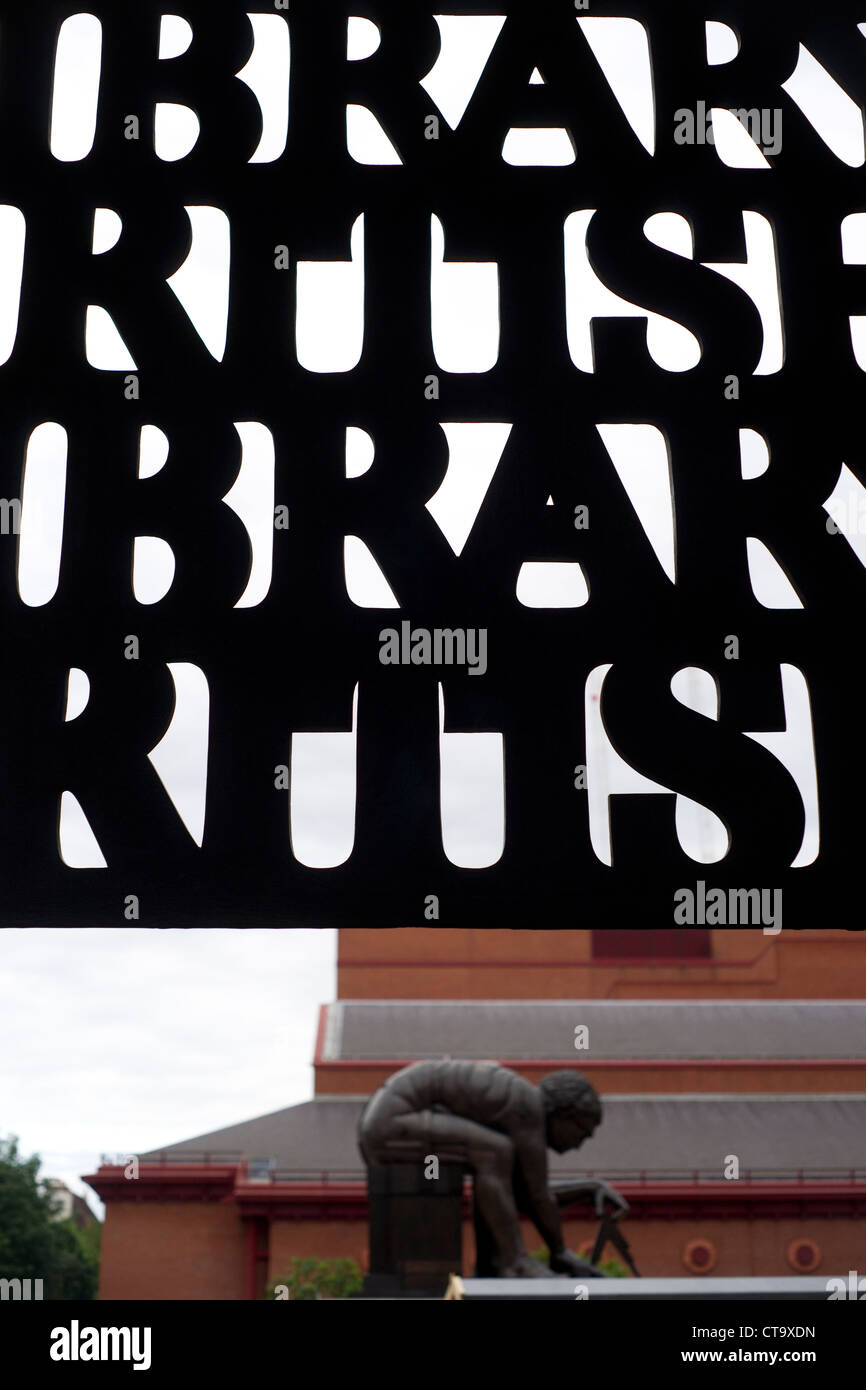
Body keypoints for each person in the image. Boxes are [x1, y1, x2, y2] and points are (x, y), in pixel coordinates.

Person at [358, 1059, 627, 1278]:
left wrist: (590, 1189)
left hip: (386, 1126)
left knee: (494, 1164)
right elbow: (536, 1196)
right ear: (565, 1114)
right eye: (583, 1132)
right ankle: (514, 1262)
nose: (580, 1144)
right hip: (389, 1125)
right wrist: (559, 1252)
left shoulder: (518, 1105)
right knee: (494, 1153)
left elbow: (519, 1195)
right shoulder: (527, 1107)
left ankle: (492, 1265)